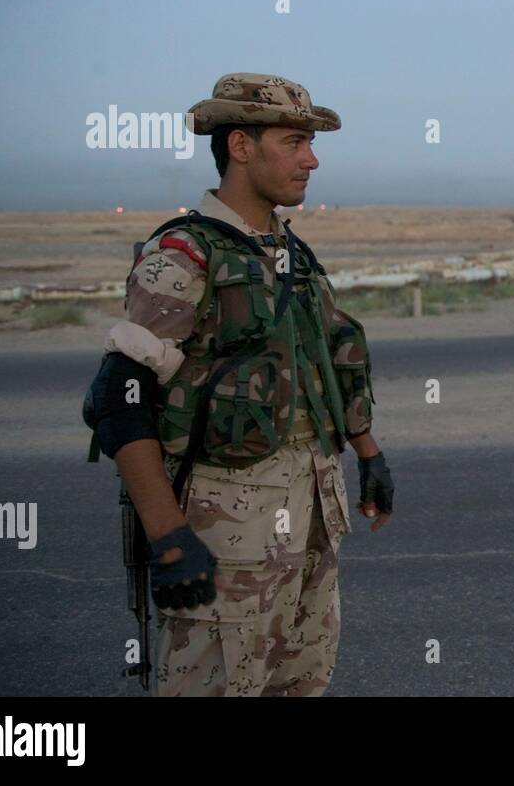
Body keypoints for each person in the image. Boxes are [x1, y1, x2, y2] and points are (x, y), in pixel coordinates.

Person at [84, 73, 395, 696]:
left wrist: (369, 456)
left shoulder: (292, 255)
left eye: (310, 142)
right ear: (241, 147)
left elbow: (329, 360)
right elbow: (121, 402)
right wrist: (168, 536)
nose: (311, 159)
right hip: (223, 536)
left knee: (301, 684)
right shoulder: (186, 255)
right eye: (293, 141)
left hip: (311, 525)